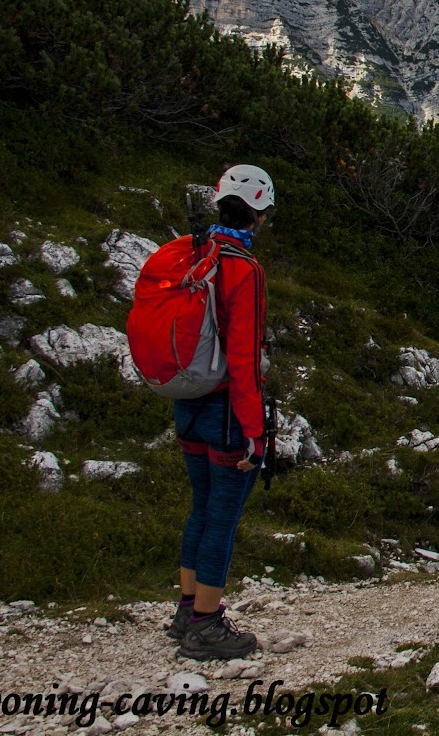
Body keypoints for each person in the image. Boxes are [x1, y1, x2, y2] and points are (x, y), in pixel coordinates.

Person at [167, 164, 275, 661]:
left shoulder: (191, 252)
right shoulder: (242, 269)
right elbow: (245, 361)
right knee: (223, 517)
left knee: (200, 506)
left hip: (186, 400)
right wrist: (257, 434)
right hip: (228, 411)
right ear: (257, 215)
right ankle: (207, 625)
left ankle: (186, 610)